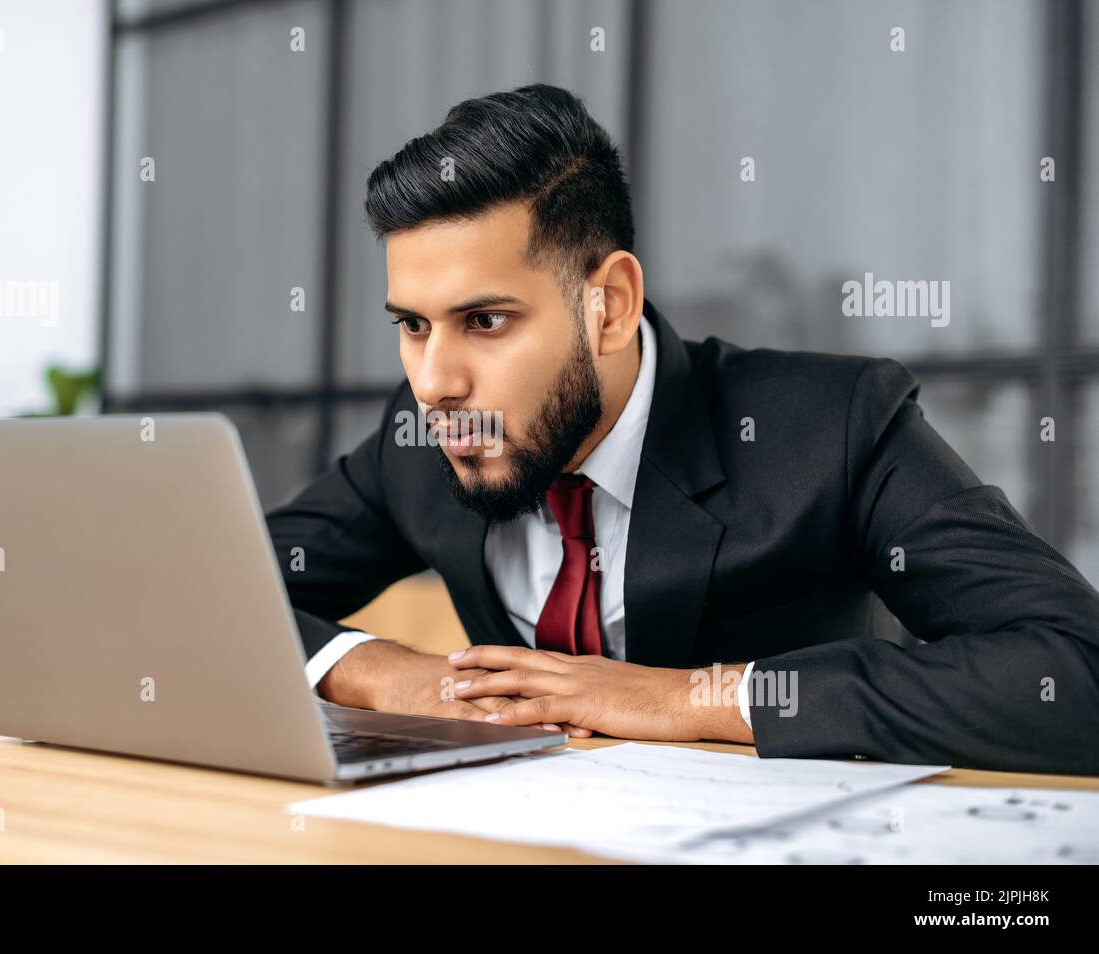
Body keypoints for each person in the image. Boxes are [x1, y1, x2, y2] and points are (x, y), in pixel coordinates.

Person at [265, 84, 1099, 775]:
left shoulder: (828, 426)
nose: (435, 382)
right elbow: (202, 581)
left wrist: (683, 696)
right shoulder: (430, 436)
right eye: (412, 325)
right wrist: (375, 672)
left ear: (611, 305)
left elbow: (1074, 671)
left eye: (484, 321)